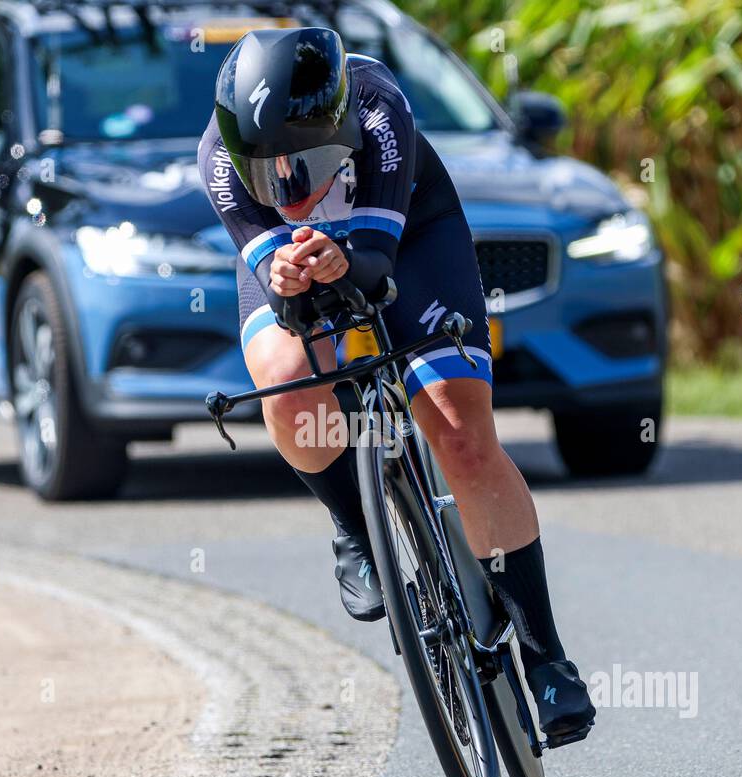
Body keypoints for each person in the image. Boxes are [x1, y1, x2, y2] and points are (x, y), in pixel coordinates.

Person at [198, 27, 594, 740]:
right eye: (267, 174)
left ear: (340, 125)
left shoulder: (377, 102)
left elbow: (377, 268)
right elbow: (282, 296)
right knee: (287, 388)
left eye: (308, 162)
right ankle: (356, 528)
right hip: (305, 263)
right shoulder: (218, 159)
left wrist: (343, 262)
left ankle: (546, 659)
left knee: (461, 437)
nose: (288, 188)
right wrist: (286, 278)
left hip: (408, 240)